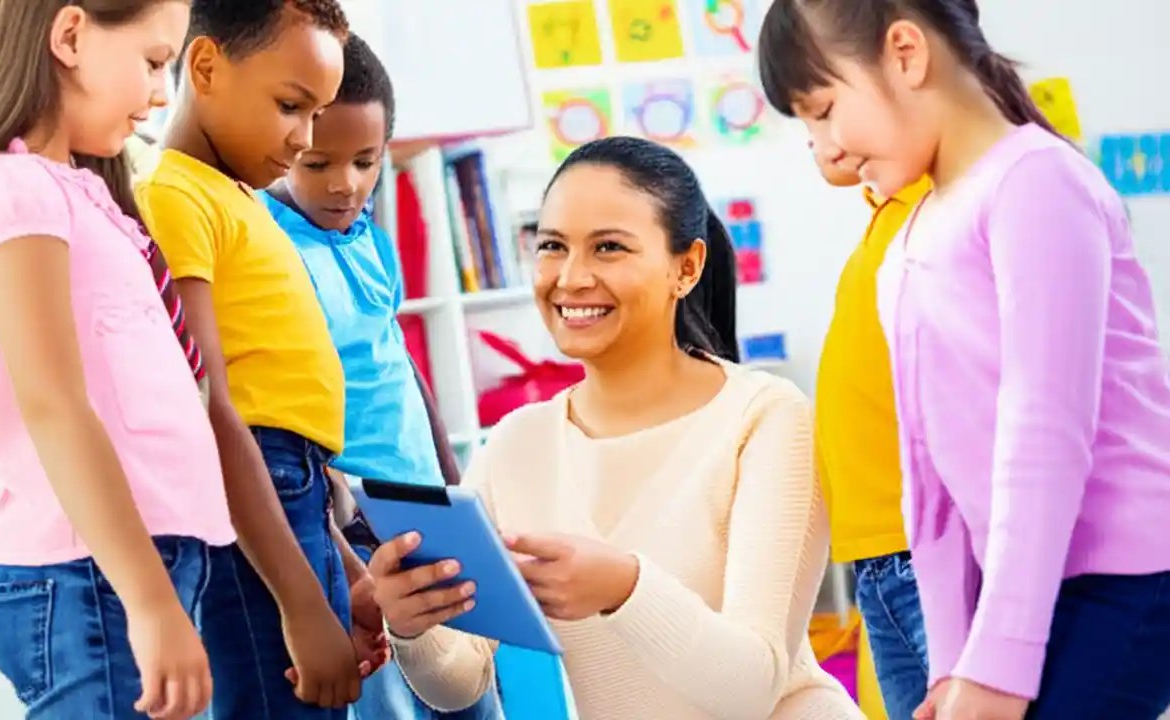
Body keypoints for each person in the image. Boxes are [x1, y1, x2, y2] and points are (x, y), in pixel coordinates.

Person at [758, 1, 1170, 718]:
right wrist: (955, 661)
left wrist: (1001, 664)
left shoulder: (1038, 183)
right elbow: (929, 475)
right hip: (1041, 580)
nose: (828, 148)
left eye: (823, 110)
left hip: (1127, 573)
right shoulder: (911, 240)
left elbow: (1045, 430)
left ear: (907, 54)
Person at [363, 136, 862, 719]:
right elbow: (460, 682)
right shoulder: (518, 443)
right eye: (552, 246)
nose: (570, 278)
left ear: (687, 266)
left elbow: (751, 687)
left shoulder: (765, 417)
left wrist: (625, 589)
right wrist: (412, 626)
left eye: (608, 248)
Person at [0, 1, 235, 718]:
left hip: (119, 571)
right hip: (91, 578)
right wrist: (150, 600)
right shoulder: (11, 189)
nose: (163, 93)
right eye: (155, 62)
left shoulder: (86, 192)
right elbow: (54, 404)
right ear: (69, 36)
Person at [134, 2, 383, 717]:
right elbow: (213, 410)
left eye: (317, 113)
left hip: (289, 492)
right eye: (289, 106)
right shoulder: (174, 193)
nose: (303, 138)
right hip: (253, 503)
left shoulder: (239, 199)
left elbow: (282, 435)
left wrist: (342, 568)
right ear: (206, 66)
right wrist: (303, 605)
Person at [262, 34, 504, 720]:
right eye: (318, 163)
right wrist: (343, 558)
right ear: (285, 148)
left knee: (473, 698)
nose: (346, 183)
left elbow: (396, 361)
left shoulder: (365, 228)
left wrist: (456, 487)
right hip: (357, 526)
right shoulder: (270, 246)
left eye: (366, 162)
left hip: (431, 511)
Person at [800, 132, 932, 718]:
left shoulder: (936, 212)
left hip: (927, 553)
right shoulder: (886, 219)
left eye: (824, 109)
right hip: (881, 558)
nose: (814, 133)